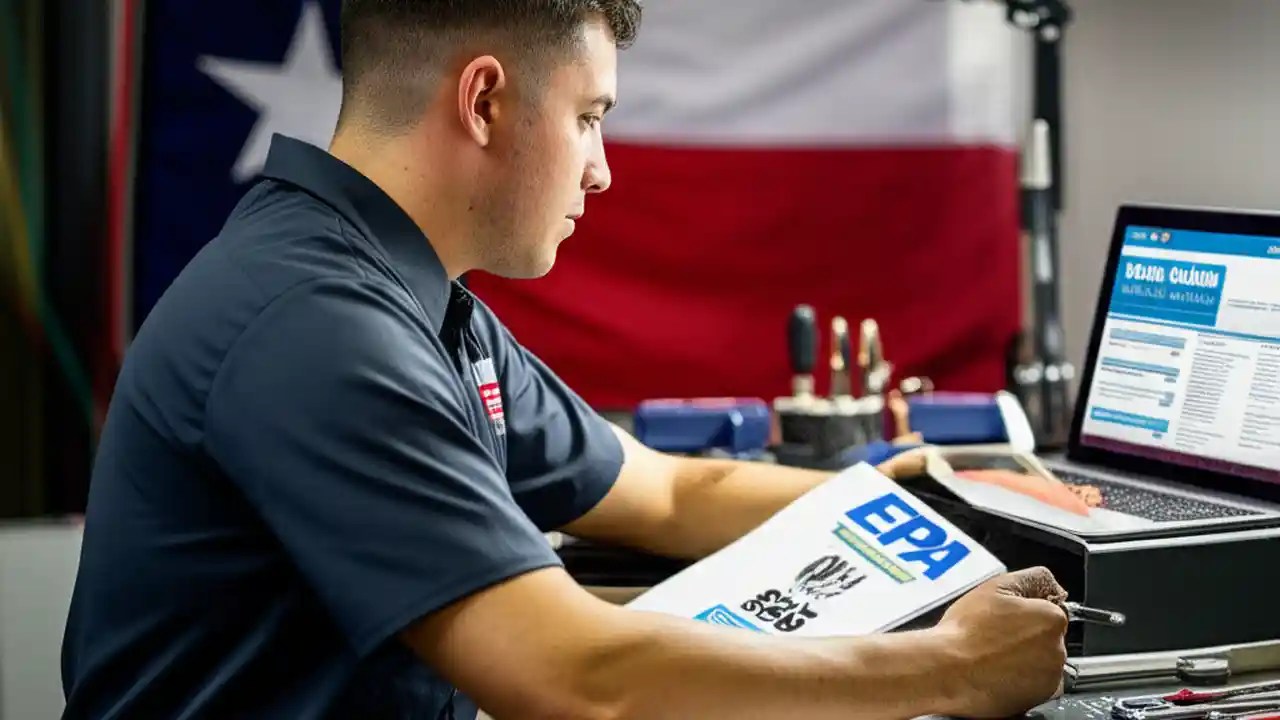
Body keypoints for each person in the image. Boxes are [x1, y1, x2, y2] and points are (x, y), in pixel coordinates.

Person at [60, 1, 1070, 718]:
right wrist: (951, 671)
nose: (602, 166)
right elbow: (579, 682)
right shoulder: (319, 328)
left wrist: (921, 504)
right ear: (485, 101)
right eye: (589, 116)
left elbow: (666, 492)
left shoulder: (408, 297)